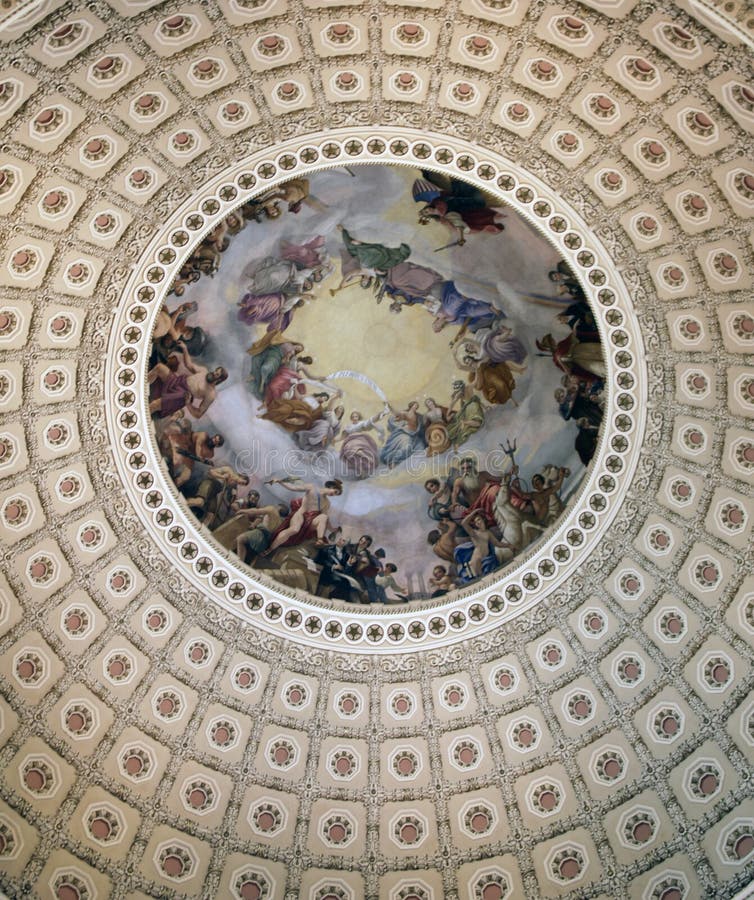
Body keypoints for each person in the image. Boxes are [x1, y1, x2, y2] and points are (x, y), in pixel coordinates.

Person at [148, 343, 227, 419]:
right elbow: (189, 364)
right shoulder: (204, 371)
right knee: (160, 368)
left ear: (219, 380)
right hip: (177, 381)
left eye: (216, 374)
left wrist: (188, 404)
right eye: (215, 371)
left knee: (155, 404)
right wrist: (185, 348)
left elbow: (198, 414)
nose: (213, 373)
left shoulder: (211, 394)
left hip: (181, 396)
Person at [266, 479, 343, 551]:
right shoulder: (312, 487)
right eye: (335, 492)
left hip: (310, 523)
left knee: (324, 516)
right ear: (332, 486)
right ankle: (270, 549)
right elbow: (293, 488)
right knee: (294, 529)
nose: (334, 495)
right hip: (301, 515)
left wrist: (332, 529)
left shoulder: (327, 503)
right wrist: (280, 481)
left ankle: (320, 540)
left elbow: (324, 519)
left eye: (336, 495)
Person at [455, 511, 511, 582]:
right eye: (475, 522)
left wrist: (509, 545)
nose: (477, 522)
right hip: (477, 559)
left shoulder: (488, 533)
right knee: (481, 580)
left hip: (486, 559)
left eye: (478, 519)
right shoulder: (475, 533)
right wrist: (473, 513)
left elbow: (497, 543)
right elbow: (464, 523)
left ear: (483, 520)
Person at [335, 409, 386, 478]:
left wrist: (381, 413)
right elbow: (342, 437)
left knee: (354, 447)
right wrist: (333, 441)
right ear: (351, 418)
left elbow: (370, 421)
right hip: (350, 440)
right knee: (350, 454)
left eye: (356, 416)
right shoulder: (348, 427)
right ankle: (362, 472)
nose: (354, 418)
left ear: (358, 417)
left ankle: (365, 456)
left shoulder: (361, 424)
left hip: (359, 439)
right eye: (353, 417)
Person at [380, 402, 426, 467]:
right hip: (406, 433)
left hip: (414, 435)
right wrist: (389, 406)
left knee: (421, 446)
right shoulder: (405, 413)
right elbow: (396, 413)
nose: (416, 407)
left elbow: (421, 425)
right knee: (406, 447)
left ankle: (415, 465)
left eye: (417, 406)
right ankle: (393, 460)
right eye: (414, 405)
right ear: (411, 406)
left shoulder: (418, 416)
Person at [446, 381, 485, 448]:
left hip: (471, 407)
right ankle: (465, 422)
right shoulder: (461, 393)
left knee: (477, 422)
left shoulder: (467, 389)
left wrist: (448, 413)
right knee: (477, 422)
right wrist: (448, 413)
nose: (457, 391)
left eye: (457, 389)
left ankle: (465, 422)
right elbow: (453, 402)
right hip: (469, 408)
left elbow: (453, 403)